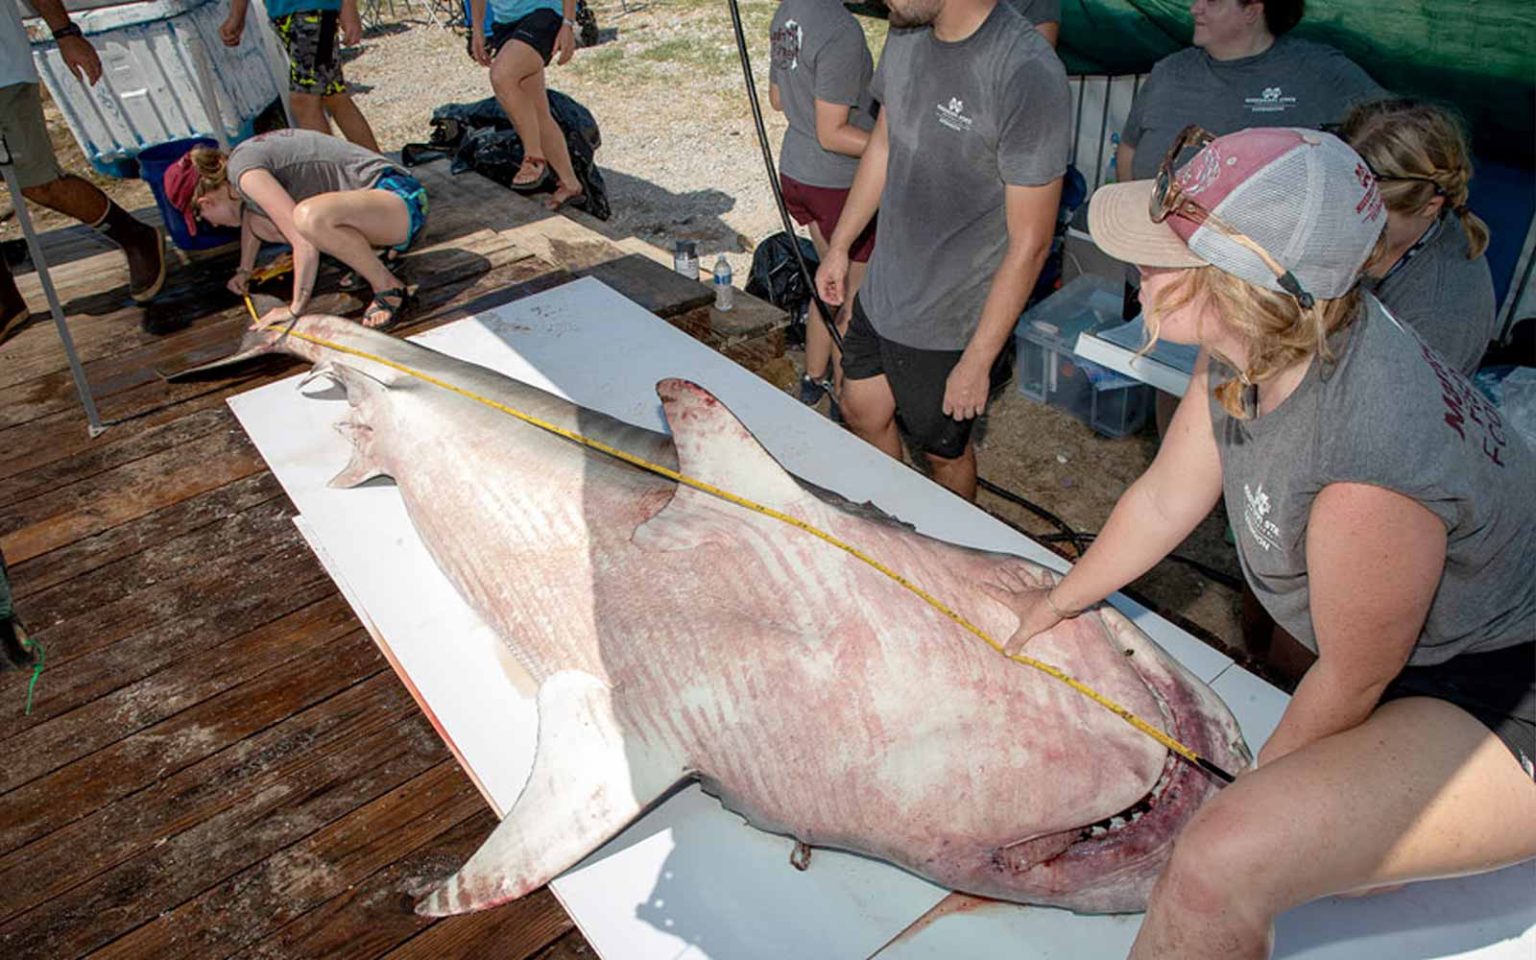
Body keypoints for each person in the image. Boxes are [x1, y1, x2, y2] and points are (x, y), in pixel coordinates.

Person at [988, 125, 1535, 958]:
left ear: (1243, 286)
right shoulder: (1261, 338)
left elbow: (1356, 674)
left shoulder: (1366, 467)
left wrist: (1237, 809)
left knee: (1216, 864)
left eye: (1163, 254)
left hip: (1504, 689)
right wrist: (1056, 602)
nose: (1138, 265)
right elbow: (1167, 496)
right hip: (1415, 653)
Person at [814, 0, 1070, 501]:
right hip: (887, 284)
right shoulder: (908, 25)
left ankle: (951, 546)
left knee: (941, 451)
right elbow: (884, 145)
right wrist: (840, 245)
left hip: (950, 315)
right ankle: (898, 516)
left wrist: (977, 361)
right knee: (860, 408)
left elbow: (1031, 243)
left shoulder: (1027, 72)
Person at [1, 0, 166, 337]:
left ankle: (136, 236)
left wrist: (65, 33)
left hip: (3, 74)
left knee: (38, 183)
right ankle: (6, 301)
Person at [165, 129, 427, 330]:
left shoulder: (246, 175)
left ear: (205, 202)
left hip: (403, 200)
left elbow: (304, 242)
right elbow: (251, 222)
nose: (212, 224)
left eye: (204, 217)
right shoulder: (240, 167)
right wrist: (244, 270)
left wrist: (295, 308)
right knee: (262, 222)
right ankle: (374, 258)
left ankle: (388, 287)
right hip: (381, 209)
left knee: (307, 219)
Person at [1115, 0, 1383, 182]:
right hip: (1157, 255)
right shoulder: (1169, 72)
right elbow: (1128, 149)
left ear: (1252, 11)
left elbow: (1396, 130)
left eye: (1213, 1)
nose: (1195, 8)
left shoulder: (1321, 72)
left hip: (1262, 260)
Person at [768, 0, 877, 409]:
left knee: (829, 278)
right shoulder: (840, 28)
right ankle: (849, 407)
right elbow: (832, 133)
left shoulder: (786, 13)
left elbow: (778, 99)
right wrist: (897, 150)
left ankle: (814, 379)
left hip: (799, 171)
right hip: (836, 179)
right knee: (852, 295)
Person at [1341, 99, 1498, 376]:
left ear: (1430, 206)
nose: (1347, 223)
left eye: (1372, 216)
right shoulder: (1411, 226)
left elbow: (1386, 412)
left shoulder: (1439, 315)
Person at [221, 0, 380, 152]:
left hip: (310, 13)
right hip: (292, 15)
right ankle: (379, 170)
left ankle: (333, 173)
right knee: (333, 96)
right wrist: (237, 16)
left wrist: (348, 6)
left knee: (304, 102)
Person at [468, 0, 583, 211]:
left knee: (502, 75)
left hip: (544, 14)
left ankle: (534, 158)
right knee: (536, 111)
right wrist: (477, 29)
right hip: (506, 23)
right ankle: (570, 183)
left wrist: (568, 23)